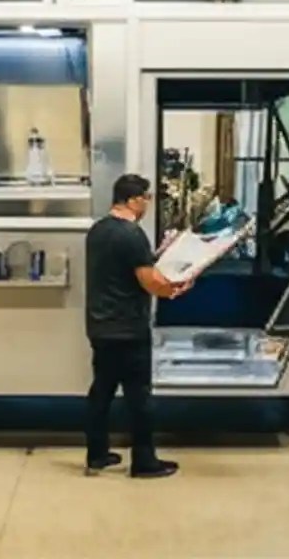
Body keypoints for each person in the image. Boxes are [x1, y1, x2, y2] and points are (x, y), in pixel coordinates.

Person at [84, 173, 191, 479]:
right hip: (128, 329)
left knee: (101, 393)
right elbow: (150, 282)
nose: (147, 203)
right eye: (146, 197)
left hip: (100, 326)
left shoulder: (98, 230)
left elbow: (119, 271)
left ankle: (97, 455)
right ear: (133, 200)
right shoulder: (131, 235)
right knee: (139, 398)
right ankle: (144, 462)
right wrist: (175, 287)